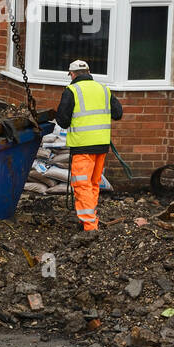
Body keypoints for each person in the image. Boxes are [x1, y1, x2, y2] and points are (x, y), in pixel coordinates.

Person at [54, 60, 123, 233]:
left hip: (82, 146)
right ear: (89, 72)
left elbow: (62, 121)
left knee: (81, 185)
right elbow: (118, 113)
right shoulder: (104, 89)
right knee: (93, 184)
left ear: (72, 74)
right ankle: (90, 220)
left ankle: (90, 226)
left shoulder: (72, 91)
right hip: (101, 146)